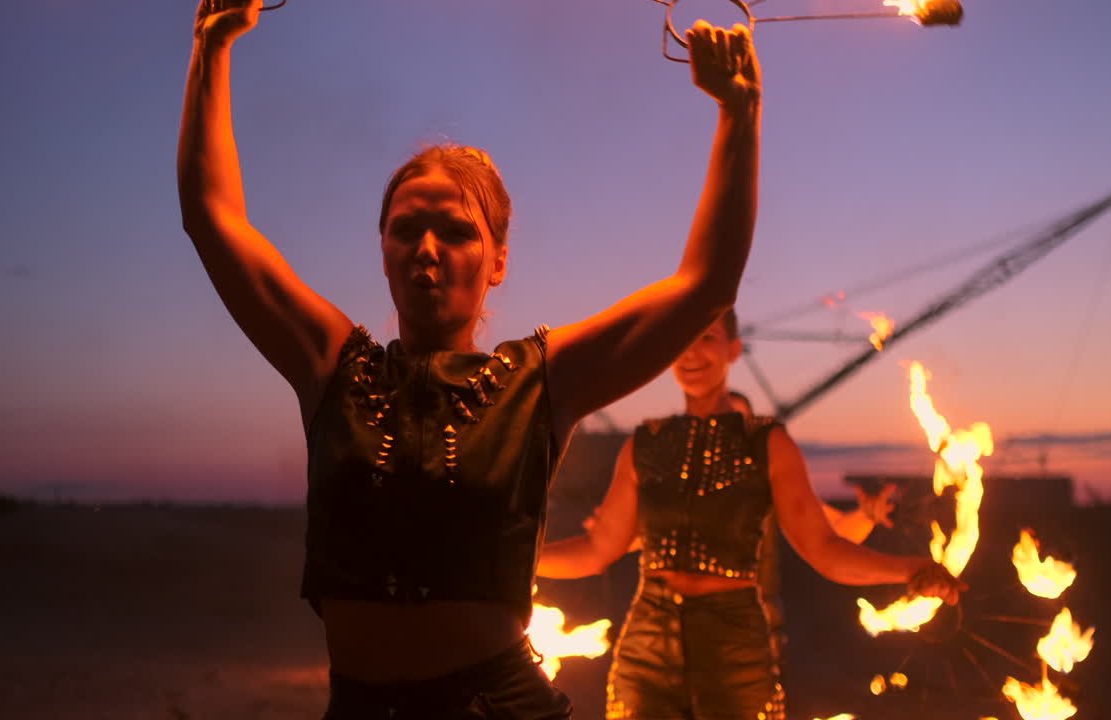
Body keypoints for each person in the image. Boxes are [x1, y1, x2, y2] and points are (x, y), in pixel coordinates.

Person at [178, 2, 765, 717]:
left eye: (455, 231)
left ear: (498, 261)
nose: (427, 249)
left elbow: (706, 285)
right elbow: (212, 217)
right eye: (406, 230)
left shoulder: (540, 381)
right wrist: (211, 46)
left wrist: (739, 112)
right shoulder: (332, 364)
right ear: (383, 251)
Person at [537, 309, 961, 720]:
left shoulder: (768, 445)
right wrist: (518, 560)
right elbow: (596, 549)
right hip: (646, 647)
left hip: (733, 644)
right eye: (682, 340)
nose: (692, 352)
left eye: (707, 337)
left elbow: (824, 547)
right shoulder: (643, 444)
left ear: (734, 349)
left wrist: (912, 569)